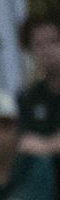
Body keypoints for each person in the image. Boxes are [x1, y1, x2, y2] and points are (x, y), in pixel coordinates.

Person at [17, 16, 60, 154]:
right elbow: (25, 142)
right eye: (39, 45)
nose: (47, 51)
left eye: (53, 41)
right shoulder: (28, 97)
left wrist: (45, 146)